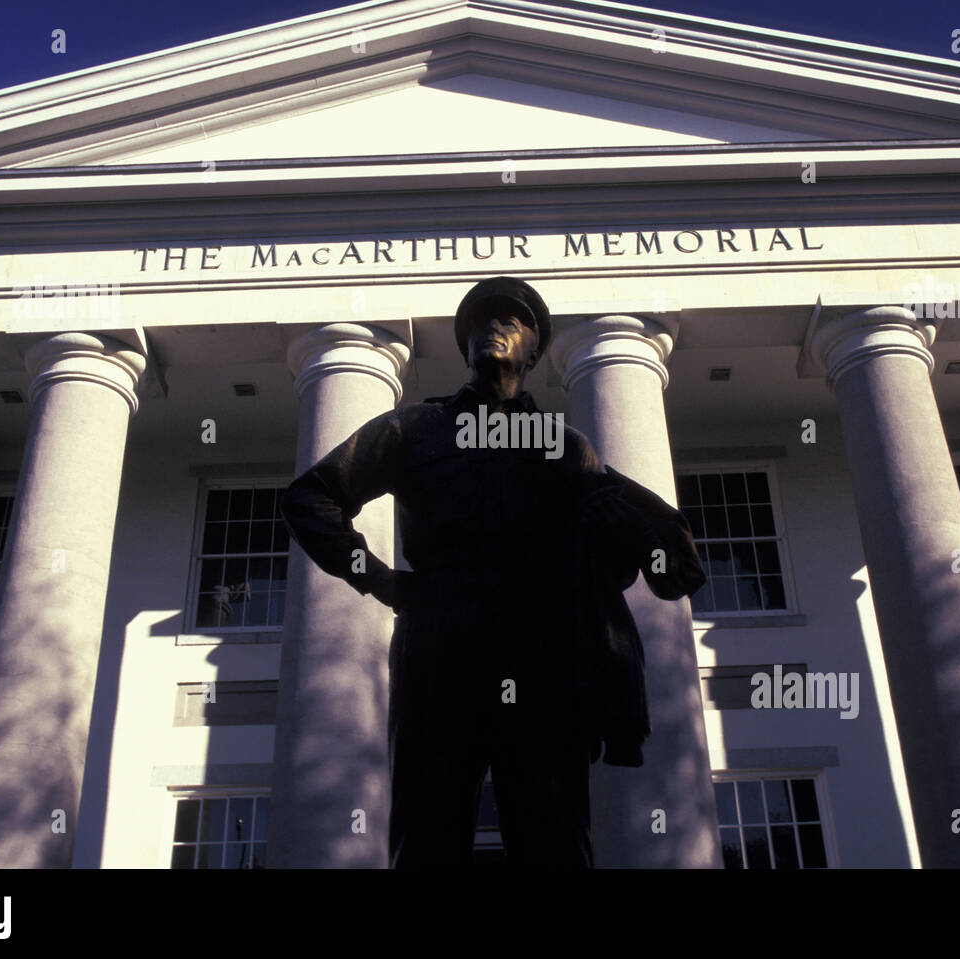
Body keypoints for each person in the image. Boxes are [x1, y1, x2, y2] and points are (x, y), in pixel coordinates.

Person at [280, 276, 704, 867]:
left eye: (514, 318)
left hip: (540, 653)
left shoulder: (563, 446)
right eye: (481, 319)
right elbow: (310, 497)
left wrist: (625, 543)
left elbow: (650, 561)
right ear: (465, 347)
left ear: (534, 350)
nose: (495, 325)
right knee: (426, 836)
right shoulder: (414, 429)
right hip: (438, 643)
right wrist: (377, 577)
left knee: (553, 839)